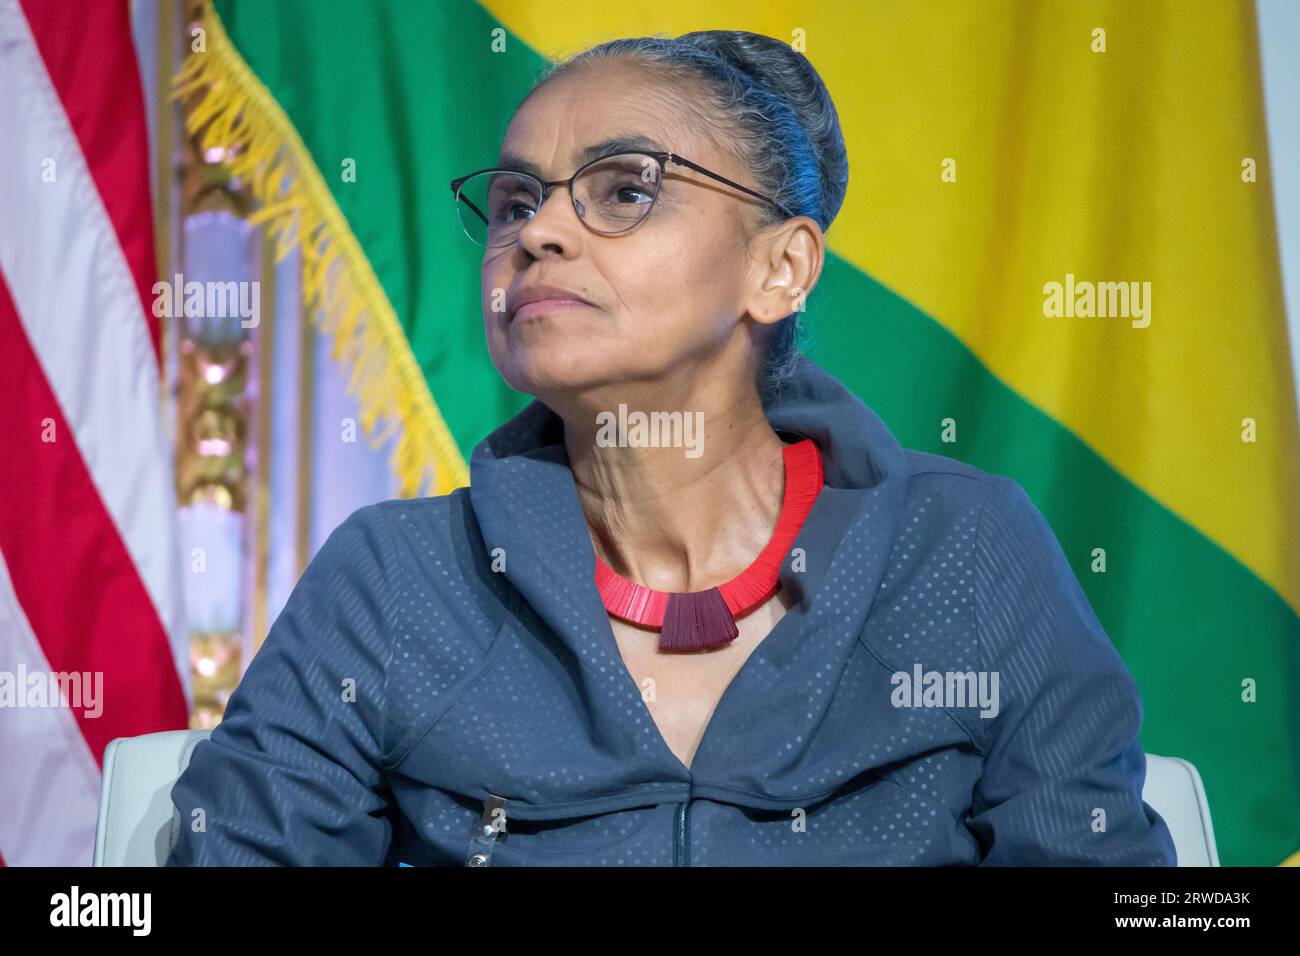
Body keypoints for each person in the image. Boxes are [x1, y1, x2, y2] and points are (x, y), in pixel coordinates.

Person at [166, 30, 1176, 866]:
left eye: (623, 189)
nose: (540, 232)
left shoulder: (969, 548)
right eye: (516, 202)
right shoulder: (391, 578)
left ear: (780, 267)